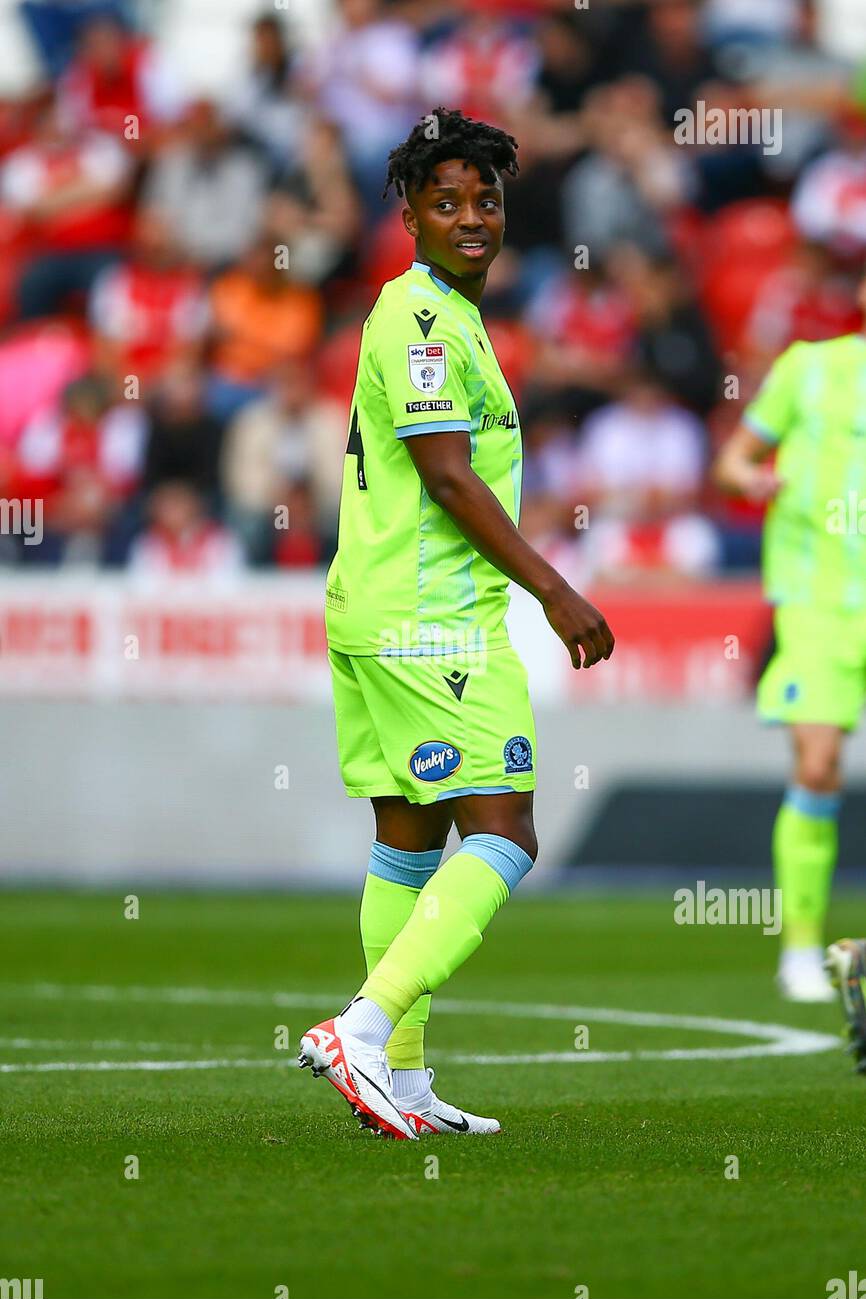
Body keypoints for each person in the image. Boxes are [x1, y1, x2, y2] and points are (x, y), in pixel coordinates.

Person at [297, 107, 614, 1140]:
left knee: (407, 840)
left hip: (376, 608)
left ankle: (405, 1078)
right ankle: (364, 1027)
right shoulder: (424, 319)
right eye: (446, 201)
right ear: (408, 214)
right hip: (431, 622)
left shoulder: (443, 312)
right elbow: (445, 476)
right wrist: (550, 588)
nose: (470, 216)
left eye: (484, 199)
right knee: (506, 829)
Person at [712, 280, 866, 1002]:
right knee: (818, 762)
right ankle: (802, 949)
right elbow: (732, 462)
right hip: (817, 603)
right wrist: (755, 478)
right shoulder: (809, 367)